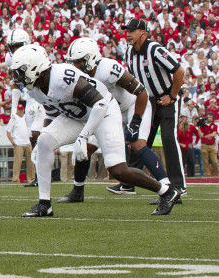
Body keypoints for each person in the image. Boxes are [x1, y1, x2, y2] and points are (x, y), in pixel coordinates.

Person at [10, 43, 179, 218]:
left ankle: (166, 191)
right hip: (77, 116)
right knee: (44, 141)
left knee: (117, 169)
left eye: (21, 71)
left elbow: (99, 103)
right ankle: (44, 204)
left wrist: (83, 137)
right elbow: (52, 113)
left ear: (36, 68)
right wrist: (40, 142)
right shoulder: (35, 88)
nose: (17, 76)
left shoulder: (63, 77)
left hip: (104, 111)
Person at [60, 37, 165, 203]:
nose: (75, 66)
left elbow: (141, 92)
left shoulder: (108, 68)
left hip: (133, 106)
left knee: (137, 144)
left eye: (79, 62)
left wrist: (136, 121)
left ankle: (167, 187)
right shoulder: (77, 76)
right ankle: (77, 191)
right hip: (109, 112)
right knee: (84, 148)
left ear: (90, 59)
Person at [120, 19, 188, 197]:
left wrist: (172, 96)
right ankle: (128, 182)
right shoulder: (128, 53)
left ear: (143, 32)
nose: (128, 34)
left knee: (168, 137)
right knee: (140, 139)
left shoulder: (155, 49)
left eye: (132, 31)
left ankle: (178, 185)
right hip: (147, 100)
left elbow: (179, 71)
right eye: (127, 30)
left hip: (167, 99)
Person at [7, 105, 33, 183]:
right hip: (18, 143)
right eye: (19, 109)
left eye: (21, 109)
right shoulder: (13, 119)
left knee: (31, 162)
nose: (20, 111)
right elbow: (8, 132)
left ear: (24, 110)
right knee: (17, 162)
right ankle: (15, 179)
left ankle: (31, 179)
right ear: (17, 110)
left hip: (28, 142)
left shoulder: (27, 118)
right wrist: (13, 142)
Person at [200, 113, 218, 177]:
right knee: (205, 161)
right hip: (204, 144)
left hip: (212, 144)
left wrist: (205, 136)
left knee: (215, 161)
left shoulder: (214, 126)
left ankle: (216, 174)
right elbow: (200, 135)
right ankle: (207, 175)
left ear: (213, 118)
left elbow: (213, 134)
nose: (209, 118)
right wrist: (199, 126)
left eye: (211, 117)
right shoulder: (202, 125)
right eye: (208, 117)